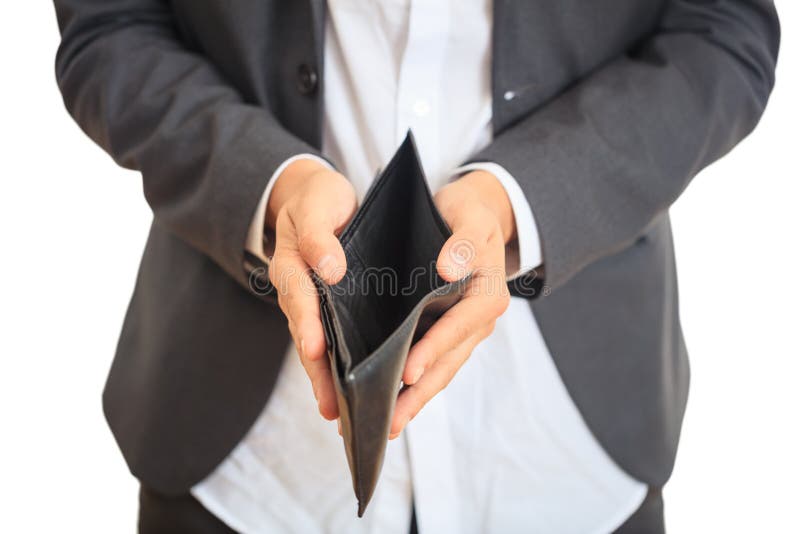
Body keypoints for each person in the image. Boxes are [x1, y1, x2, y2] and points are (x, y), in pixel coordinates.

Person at [53, 0, 779, 532]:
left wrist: (525, 198)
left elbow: (722, 32)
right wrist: (270, 183)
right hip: (245, 462)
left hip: (566, 449)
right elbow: (110, 26)